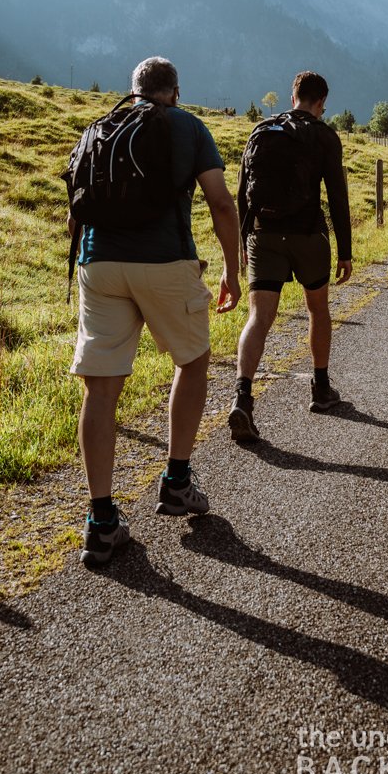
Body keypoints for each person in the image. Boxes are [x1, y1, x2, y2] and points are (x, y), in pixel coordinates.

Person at [69, 56, 241, 567]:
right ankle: (177, 482)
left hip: (97, 263)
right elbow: (220, 203)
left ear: (134, 90)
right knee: (191, 360)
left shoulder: (102, 126)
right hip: (164, 260)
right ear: (175, 92)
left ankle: (101, 522)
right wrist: (232, 268)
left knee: (101, 387)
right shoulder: (187, 126)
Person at [229, 70, 352, 441]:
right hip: (308, 238)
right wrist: (345, 251)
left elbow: (240, 193)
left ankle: (242, 397)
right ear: (320, 103)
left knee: (258, 318)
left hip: (263, 235)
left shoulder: (262, 130)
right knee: (317, 309)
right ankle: (320, 388)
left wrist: (242, 244)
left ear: (292, 95)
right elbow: (337, 196)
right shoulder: (323, 135)